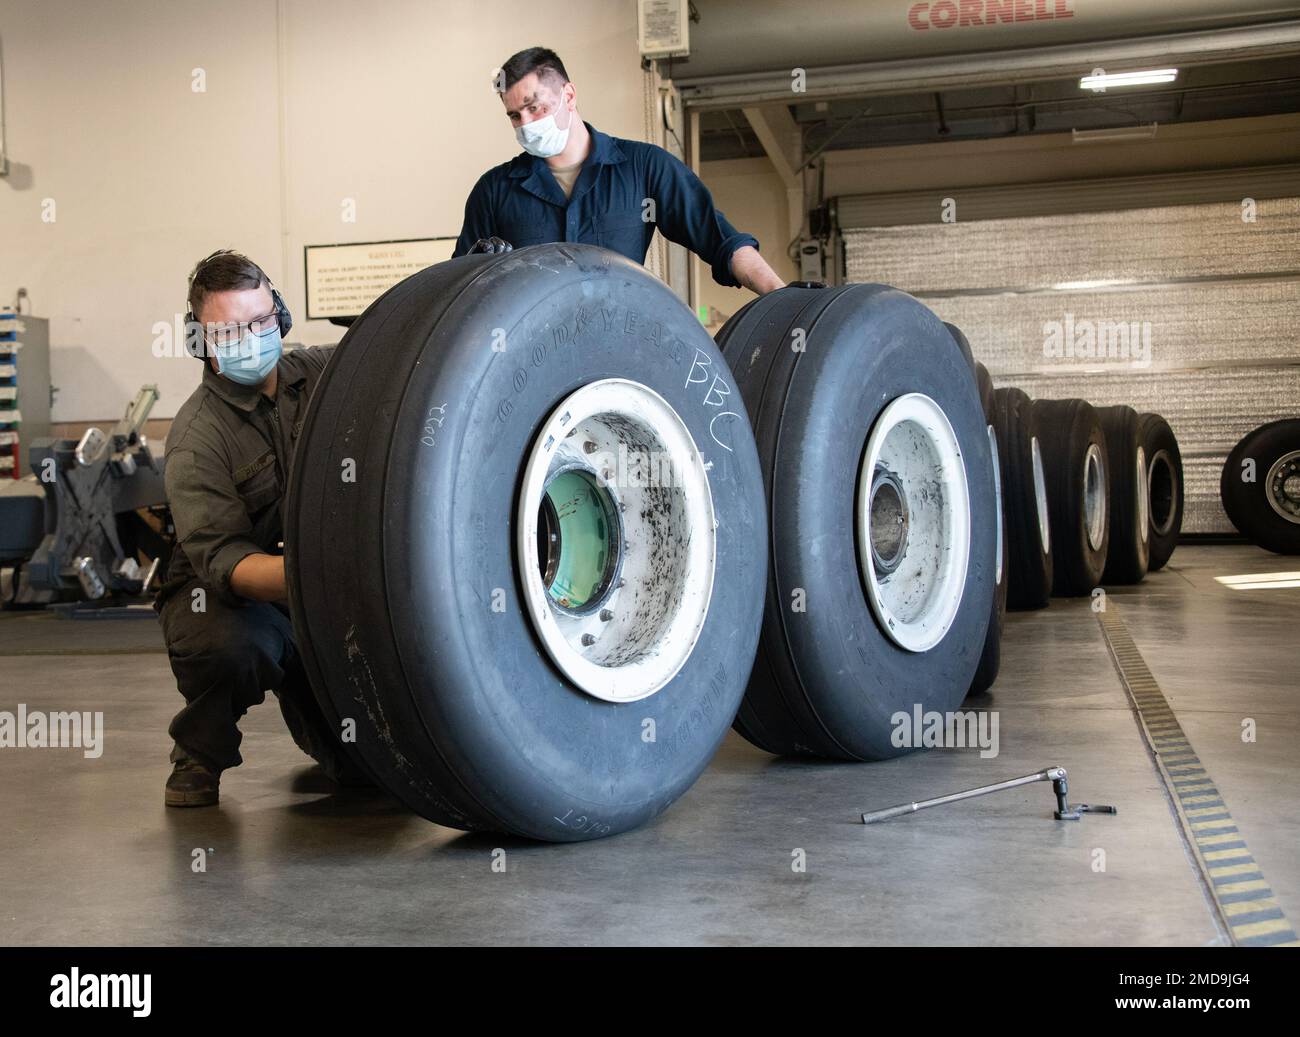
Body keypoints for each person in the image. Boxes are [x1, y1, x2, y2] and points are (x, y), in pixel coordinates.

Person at [155, 250, 362, 806]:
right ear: (201, 340)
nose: (250, 337)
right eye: (230, 329)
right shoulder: (197, 436)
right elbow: (226, 560)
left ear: (282, 318)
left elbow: (402, 355)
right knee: (232, 646)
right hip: (231, 594)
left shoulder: (327, 373)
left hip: (322, 584)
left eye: (260, 321)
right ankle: (199, 752)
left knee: (366, 768)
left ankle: (325, 722)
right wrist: (323, 583)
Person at [453, 46, 786, 295]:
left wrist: (782, 298)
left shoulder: (643, 167)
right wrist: (479, 265)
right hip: (531, 358)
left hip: (620, 345)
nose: (526, 124)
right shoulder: (494, 190)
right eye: (514, 116)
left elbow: (721, 240)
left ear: (568, 95)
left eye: (534, 107)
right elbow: (456, 285)